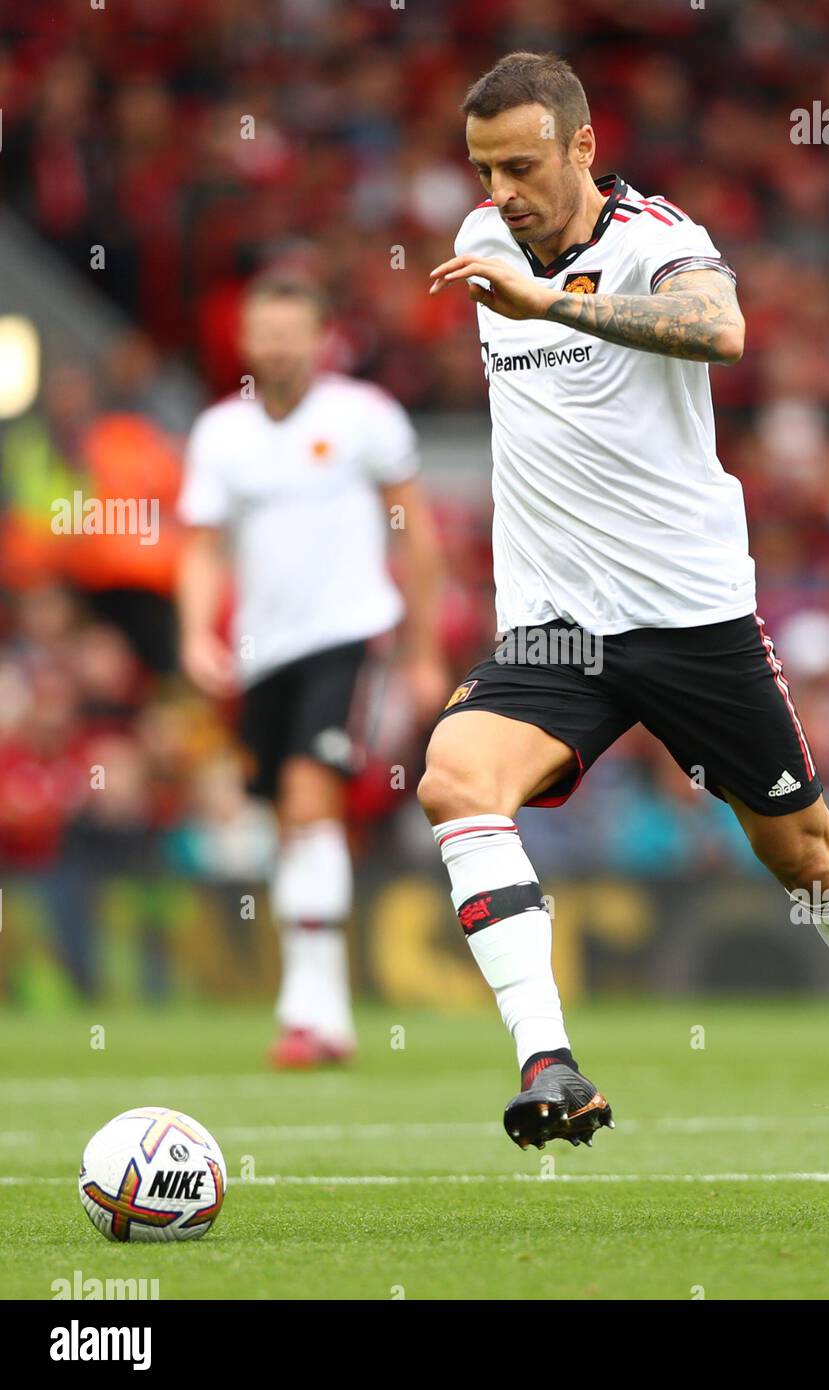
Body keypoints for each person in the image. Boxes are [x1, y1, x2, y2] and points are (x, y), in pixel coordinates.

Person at [419, 52, 829, 1213]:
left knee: (809, 861)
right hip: (557, 625)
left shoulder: (651, 236)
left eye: (522, 164)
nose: (503, 188)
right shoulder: (482, 234)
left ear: (581, 146)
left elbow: (719, 327)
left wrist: (556, 300)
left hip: (690, 619)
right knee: (454, 775)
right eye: (484, 167)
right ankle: (548, 1061)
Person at [177, 271, 448, 1067]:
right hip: (263, 654)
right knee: (281, 819)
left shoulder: (364, 418)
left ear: (322, 338)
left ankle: (317, 1014)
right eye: (265, 331)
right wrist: (197, 632)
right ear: (244, 339)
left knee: (308, 795)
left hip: (349, 635)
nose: (278, 345)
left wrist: (424, 649)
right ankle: (312, 1002)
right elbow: (201, 545)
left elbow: (416, 533)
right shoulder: (221, 432)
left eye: (294, 331)